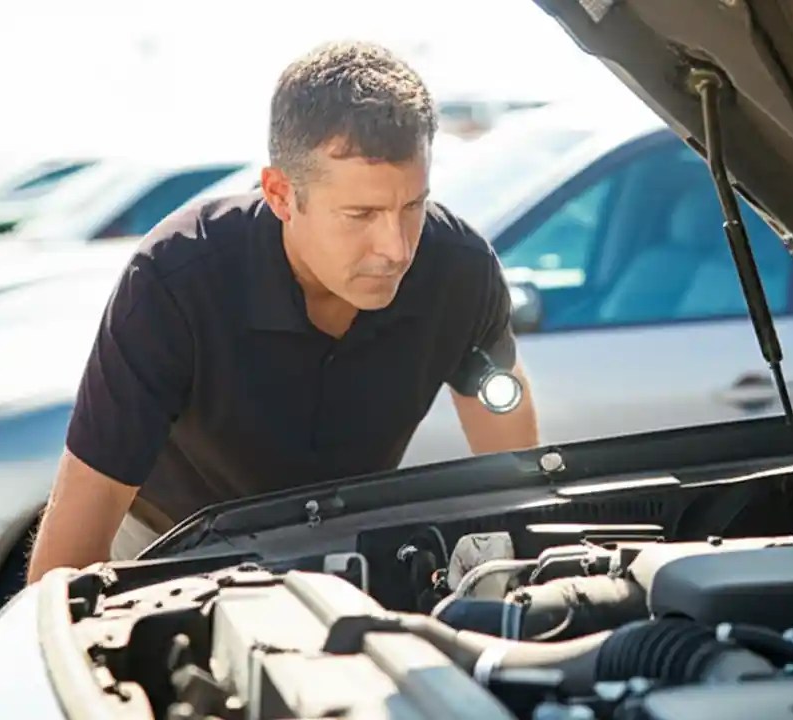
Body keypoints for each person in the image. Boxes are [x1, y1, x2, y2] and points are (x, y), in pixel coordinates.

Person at [26, 41, 540, 583]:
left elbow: (516, 472)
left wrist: (517, 563)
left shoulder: (459, 269)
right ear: (279, 194)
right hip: (166, 543)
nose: (396, 248)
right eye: (360, 213)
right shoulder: (174, 279)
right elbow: (80, 523)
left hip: (342, 544)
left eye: (412, 206)